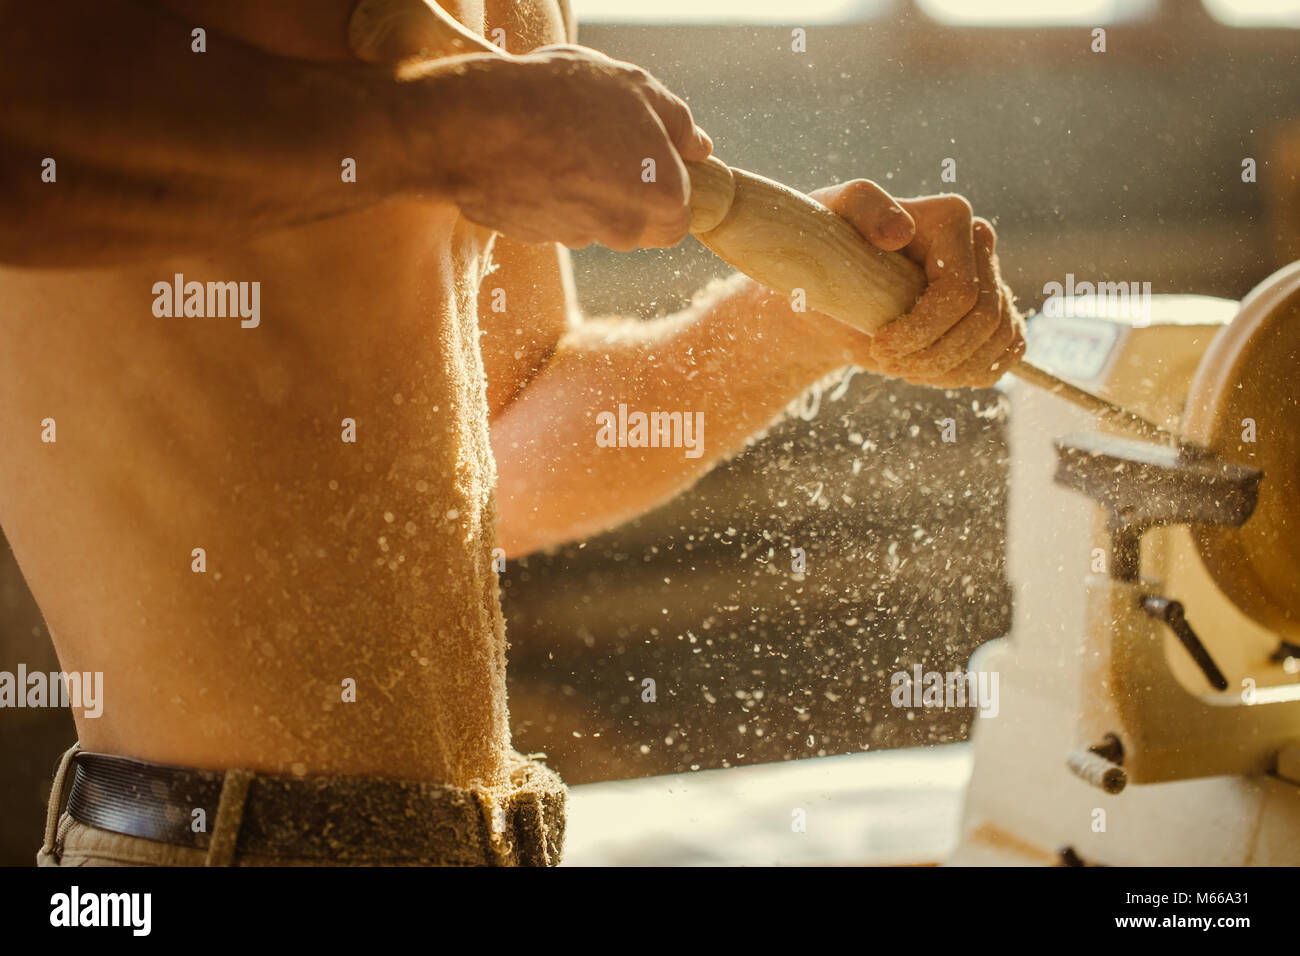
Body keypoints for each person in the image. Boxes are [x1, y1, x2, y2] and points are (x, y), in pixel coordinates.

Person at [0, 0, 1024, 866]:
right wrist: (452, 129)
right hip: (207, 838)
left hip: (489, 832)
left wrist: (796, 324)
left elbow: (507, 451)